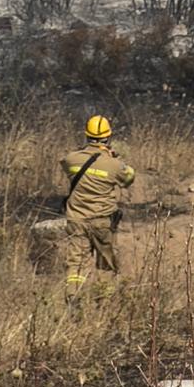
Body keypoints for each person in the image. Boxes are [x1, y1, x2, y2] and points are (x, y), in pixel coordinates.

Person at [59, 113, 135, 286]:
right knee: (106, 264)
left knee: (75, 263)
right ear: (108, 138)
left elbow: (64, 163)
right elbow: (129, 178)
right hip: (102, 220)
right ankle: (103, 299)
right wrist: (113, 158)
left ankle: (72, 295)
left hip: (76, 219)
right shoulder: (114, 165)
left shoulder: (72, 159)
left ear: (87, 136)